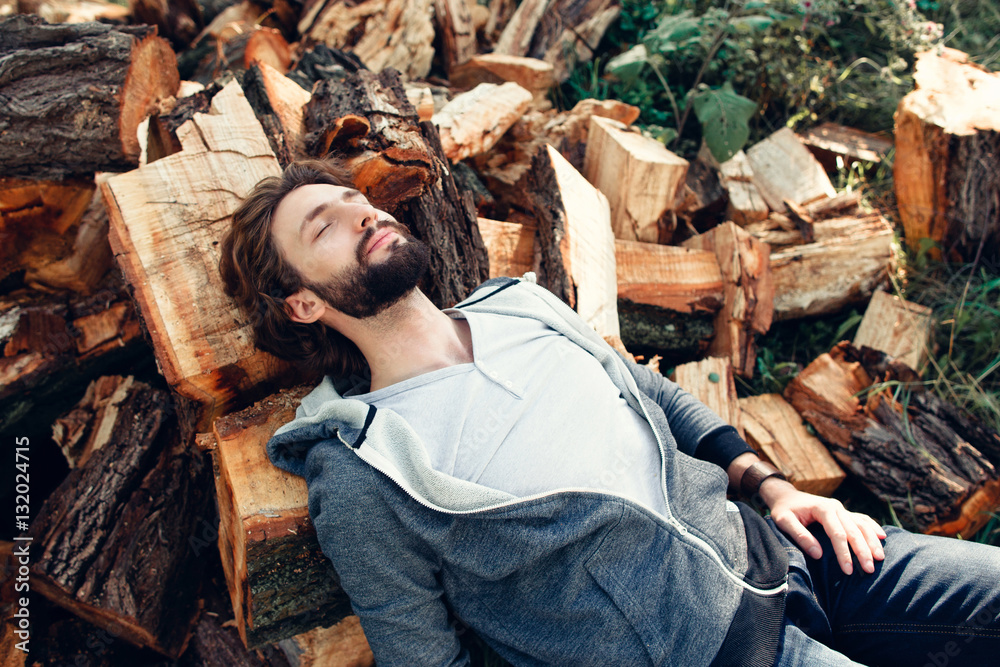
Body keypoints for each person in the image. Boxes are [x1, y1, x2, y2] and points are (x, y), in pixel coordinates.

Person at [218, 158, 1000, 667]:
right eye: (325, 226)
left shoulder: (519, 306)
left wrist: (776, 487)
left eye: (356, 200)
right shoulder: (366, 467)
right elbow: (422, 656)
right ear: (304, 302)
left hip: (788, 552)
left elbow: (653, 394)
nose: (363, 214)